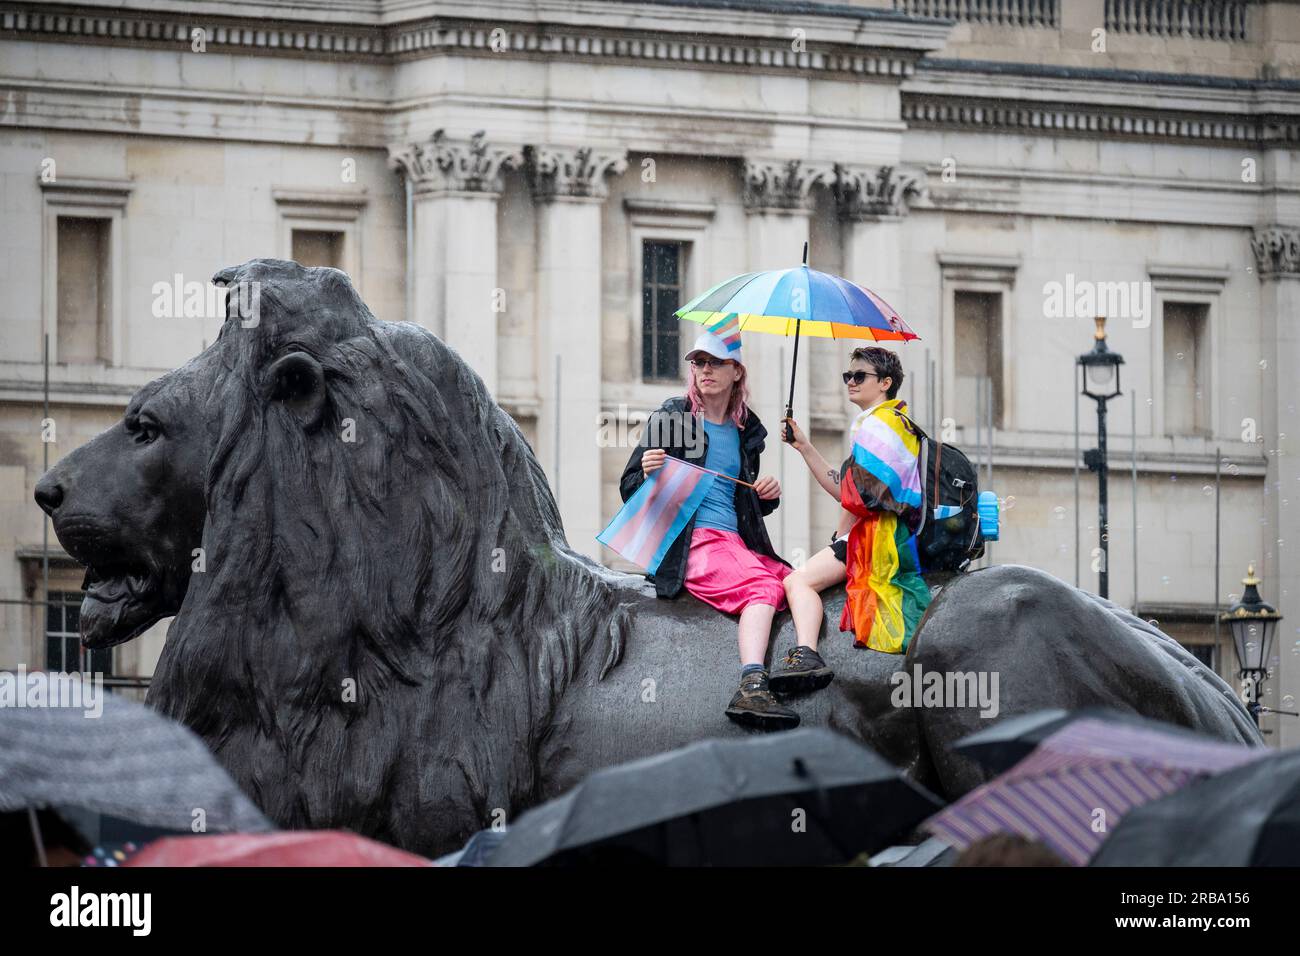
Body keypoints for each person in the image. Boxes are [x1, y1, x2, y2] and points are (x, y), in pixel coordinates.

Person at [618, 326, 799, 730]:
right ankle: (752, 684)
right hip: (693, 543)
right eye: (699, 362)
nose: (705, 370)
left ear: (737, 371)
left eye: (715, 362)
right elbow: (629, 488)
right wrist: (648, 473)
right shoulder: (673, 415)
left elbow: (744, 502)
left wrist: (764, 494)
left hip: (737, 543)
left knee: (796, 583)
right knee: (762, 589)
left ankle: (802, 660)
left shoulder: (745, 429)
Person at [777, 345, 929, 674]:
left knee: (797, 582)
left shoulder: (879, 426)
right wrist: (804, 446)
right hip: (878, 531)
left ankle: (806, 653)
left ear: (886, 382)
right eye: (848, 375)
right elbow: (847, 490)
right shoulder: (889, 422)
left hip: (878, 539)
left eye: (860, 376)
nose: (851, 382)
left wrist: (841, 539)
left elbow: (857, 498)